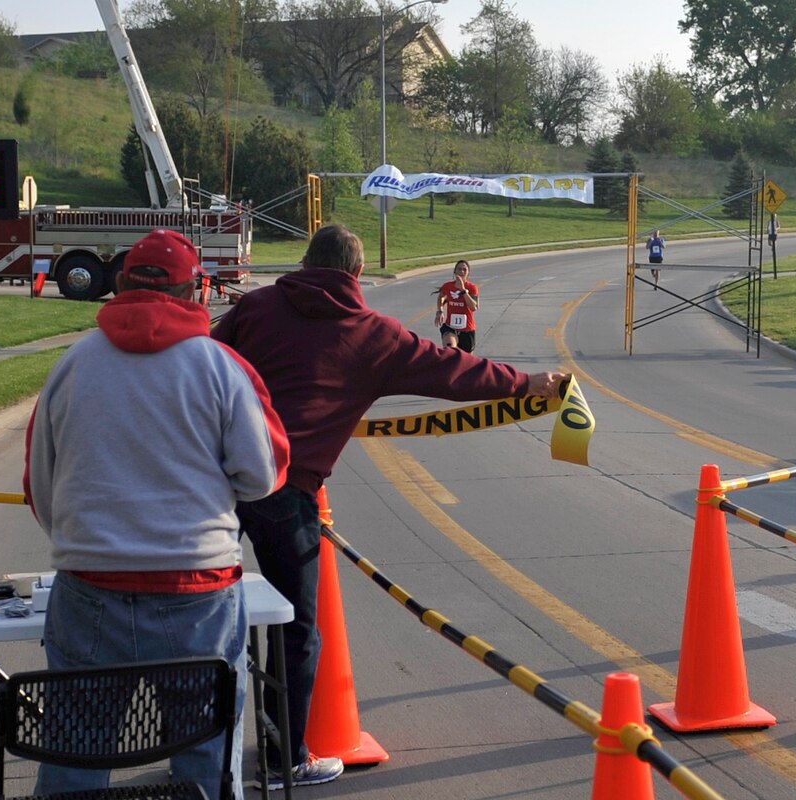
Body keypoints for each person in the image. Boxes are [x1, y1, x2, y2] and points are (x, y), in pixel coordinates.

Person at [211, 224, 564, 791]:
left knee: (203, 614)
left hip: (213, 482)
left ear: (304, 261)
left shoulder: (255, 307)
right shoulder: (372, 333)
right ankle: (284, 761)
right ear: (356, 276)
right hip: (285, 490)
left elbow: (203, 364)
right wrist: (526, 383)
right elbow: (455, 373)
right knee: (297, 629)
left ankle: (206, 751)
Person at [24, 229, 290, 800]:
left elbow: (40, 486)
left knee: (76, 751)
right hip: (198, 589)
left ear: (120, 284)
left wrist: (84, 540)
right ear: (194, 293)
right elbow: (262, 474)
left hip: (89, 585)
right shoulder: (221, 367)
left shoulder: (72, 365)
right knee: (204, 755)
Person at [434, 259, 479, 352]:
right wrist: (440, 311)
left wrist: (463, 290)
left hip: (467, 329)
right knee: (450, 349)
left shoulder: (472, 288)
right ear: (454, 271)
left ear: (468, 272)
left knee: (467, 362)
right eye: (459, 269)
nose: (462, 272)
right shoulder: (448, 286)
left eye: (464, 269)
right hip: (450, 327)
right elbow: (441, 297)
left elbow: (474, 307)